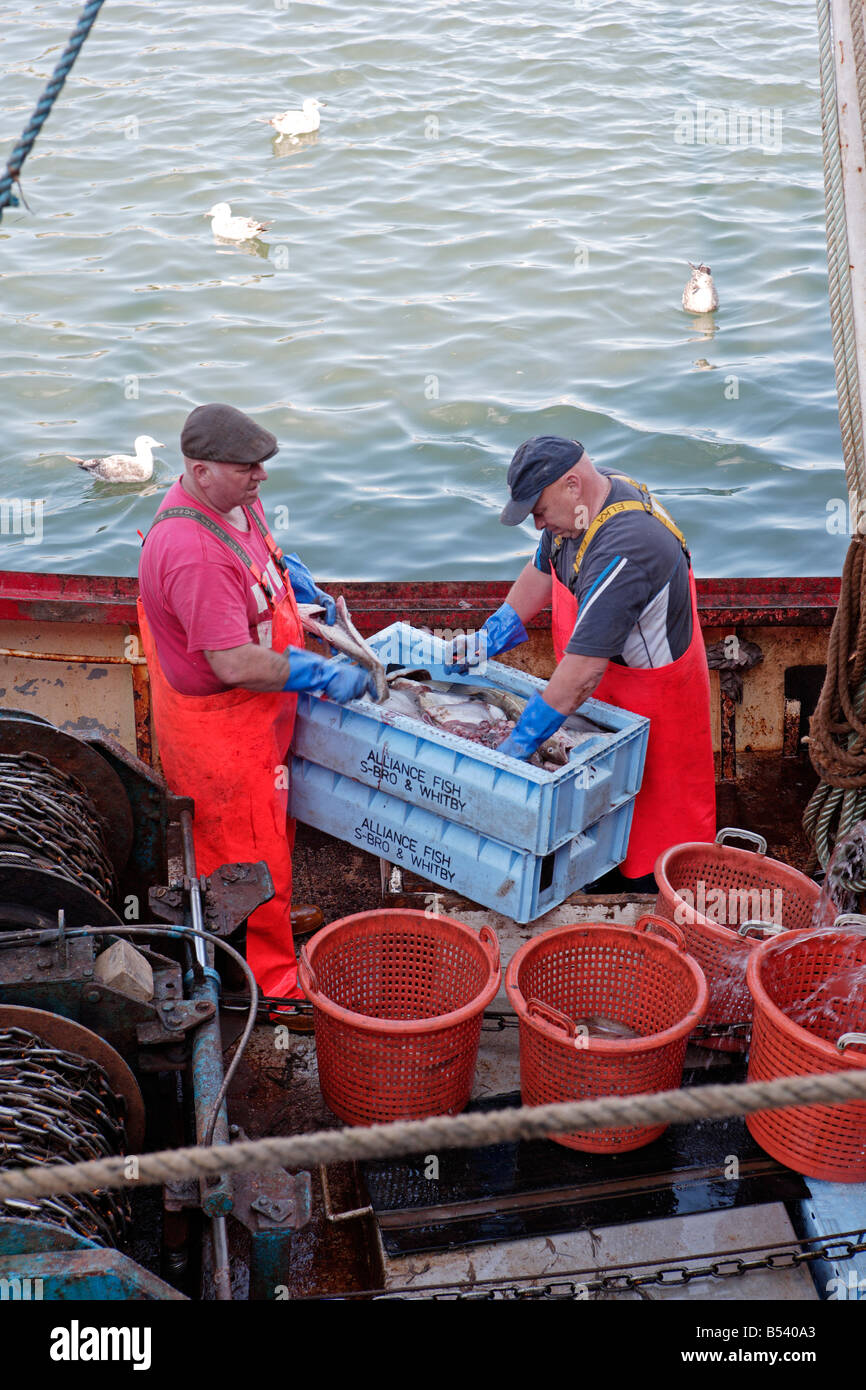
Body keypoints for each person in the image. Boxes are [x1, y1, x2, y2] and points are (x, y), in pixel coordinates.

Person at [138, 403, 374, 1000]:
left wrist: (294, 584)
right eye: (247, 467)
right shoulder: (192, 551)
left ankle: (269, 921)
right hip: (221, 727)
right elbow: (234, 662)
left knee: (273, 825)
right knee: (250, 851)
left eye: (262, 465)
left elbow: (258, 574)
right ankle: (270, 980)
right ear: (199, 470)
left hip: (264, 710)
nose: (261, 476)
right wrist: (320, 675)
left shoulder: (234, 500)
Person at [448, 435, 715, 891]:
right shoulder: (580, 509)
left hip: (656, 708)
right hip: (604, 694)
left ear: (572, 484)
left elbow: (579, 675)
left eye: (538, 511)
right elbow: (542, 568)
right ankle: (603, 874)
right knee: (604, 817)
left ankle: (655, 911)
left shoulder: (626, 547)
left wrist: (516, 747)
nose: (537, 525)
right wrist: (491, 634)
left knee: (657, 850)